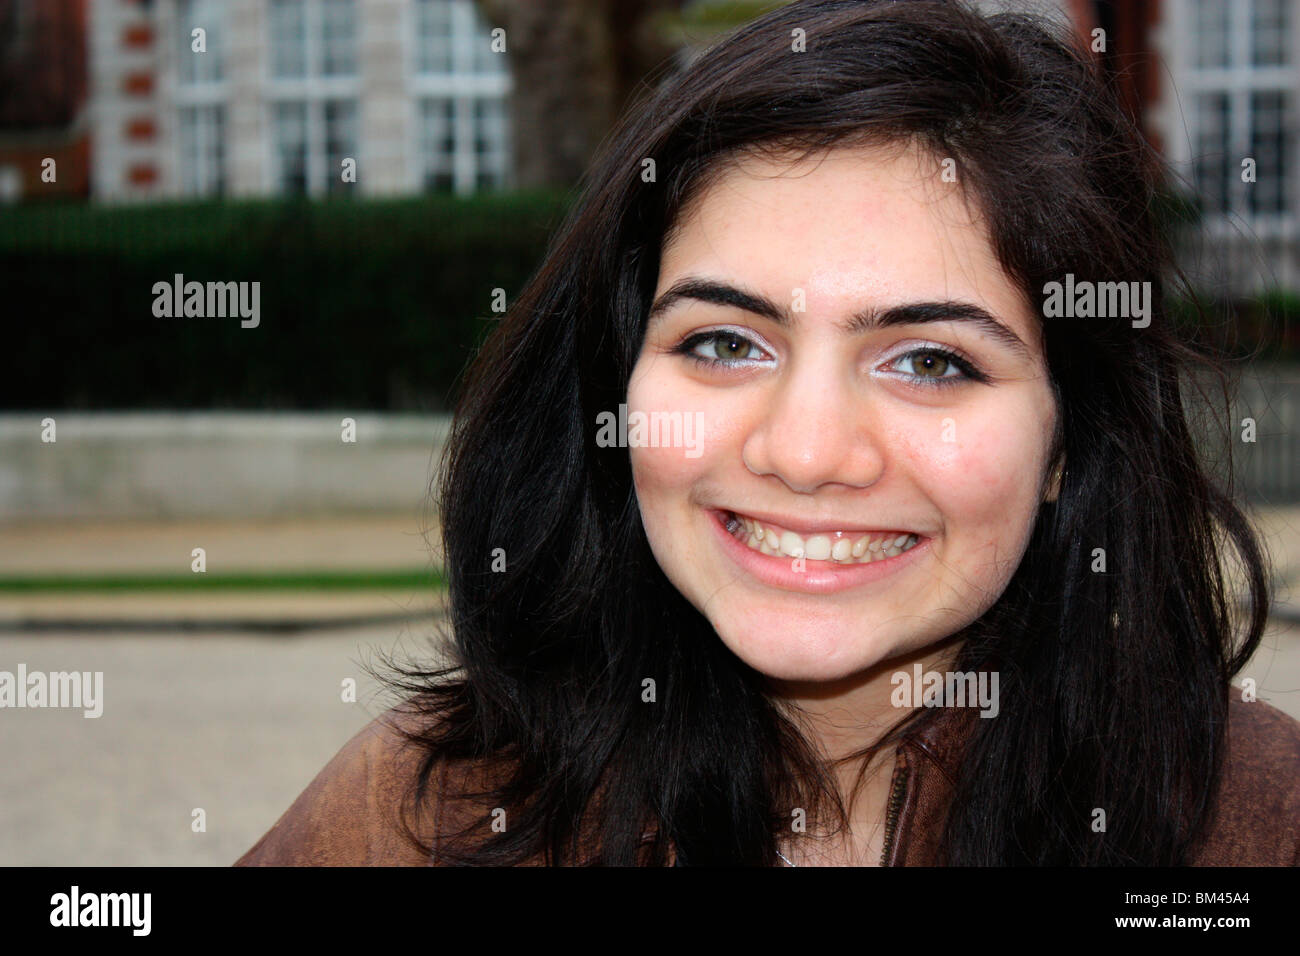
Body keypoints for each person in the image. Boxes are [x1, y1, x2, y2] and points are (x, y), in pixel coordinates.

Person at [236, 0, 1300, 867]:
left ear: (1072, 437)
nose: (803, 451)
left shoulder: (1253, 820)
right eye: (725, 343)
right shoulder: (420, 816)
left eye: (930, 360)